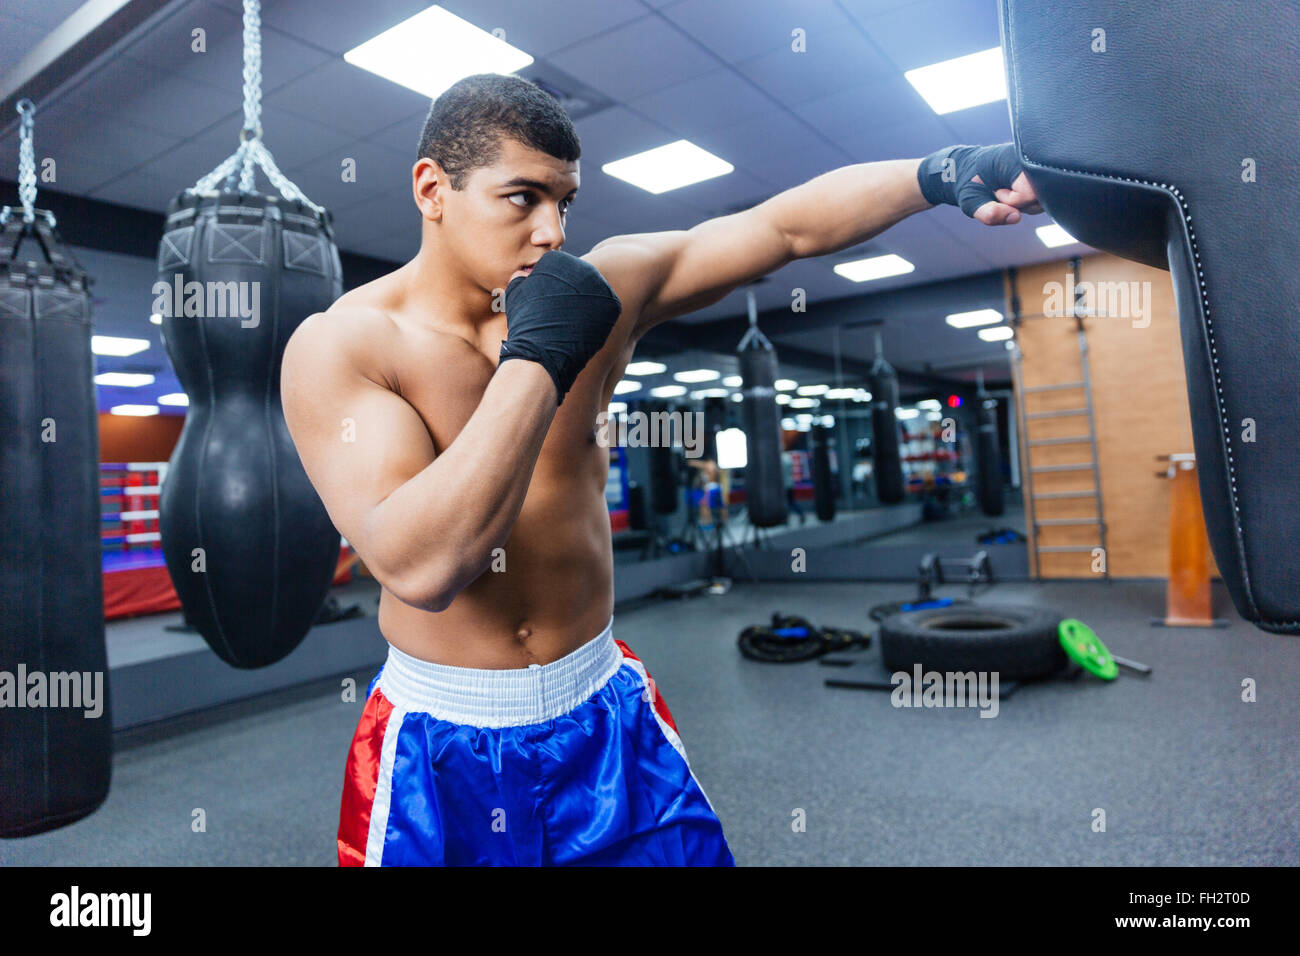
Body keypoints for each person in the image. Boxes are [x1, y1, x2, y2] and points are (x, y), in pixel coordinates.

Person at [281, 74, 1040, 866]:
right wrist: (537, 357)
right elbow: (422, 563)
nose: (553, 233)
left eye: (565, 202)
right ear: (433, 189)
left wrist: (941, 172)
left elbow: (781, 230)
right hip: (439, 750)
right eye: (522, 198)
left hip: (603, 716)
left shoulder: (603, 291)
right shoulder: (346, 347)